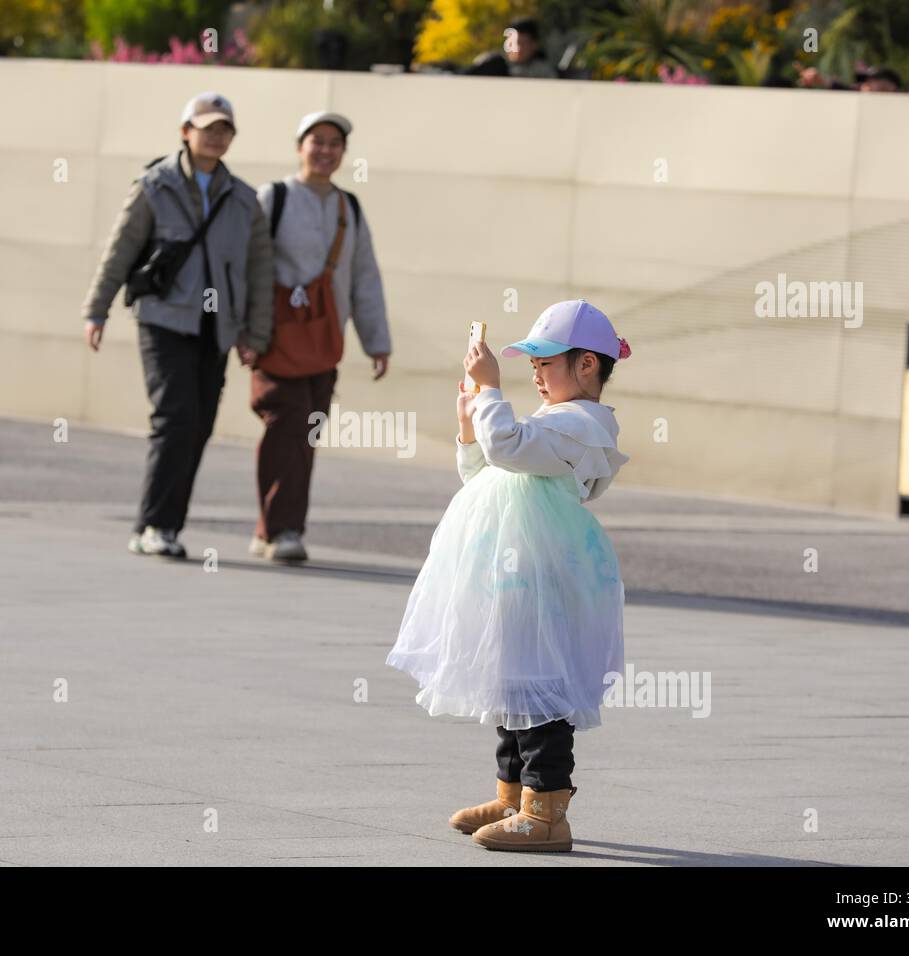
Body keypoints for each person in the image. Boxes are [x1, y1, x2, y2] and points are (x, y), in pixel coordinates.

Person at [386, 300, 632, 852]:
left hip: (543, 574)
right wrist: (468, 429)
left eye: (547, 362)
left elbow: (510, 448)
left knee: (541, 689)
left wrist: (491, 392)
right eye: (534, 364)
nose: (537, 374)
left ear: (587, 365)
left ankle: (546, 812)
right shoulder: (552, 424)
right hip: (515, 576)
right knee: (512, 680)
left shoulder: (585, 427)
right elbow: (485, 470)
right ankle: (514, 794)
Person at [81, 92, 273, 560]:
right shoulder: (155, 185)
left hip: (217, 327)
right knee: (176, 417)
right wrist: (97, 309)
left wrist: (255, 333)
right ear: (185, 131)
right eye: (207, 127)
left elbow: (259, 270)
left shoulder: (244, 198)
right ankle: (157, 526)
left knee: (199, 424)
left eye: (224, 129)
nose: (216, 136)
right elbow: (121, 248)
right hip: (164, 318)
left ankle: (161, 524)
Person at [248, 111, 391, 563]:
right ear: (299, 146)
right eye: (317, 141)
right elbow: (246, 266)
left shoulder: (350, 206)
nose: (326, 150)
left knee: (305, 431)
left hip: (324, 341)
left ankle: (271, 529)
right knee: (286, 423)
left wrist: (377, 340)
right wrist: (245, 332)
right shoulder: (274, 197)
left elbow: (364, 276)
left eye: (335, 143)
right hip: (274, 337)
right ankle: (283, 529)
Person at [463, 17, 557, 79]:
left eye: (522, 43)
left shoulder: (543, 71)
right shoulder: (489, 62)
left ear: (534, 45)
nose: (515, 47)